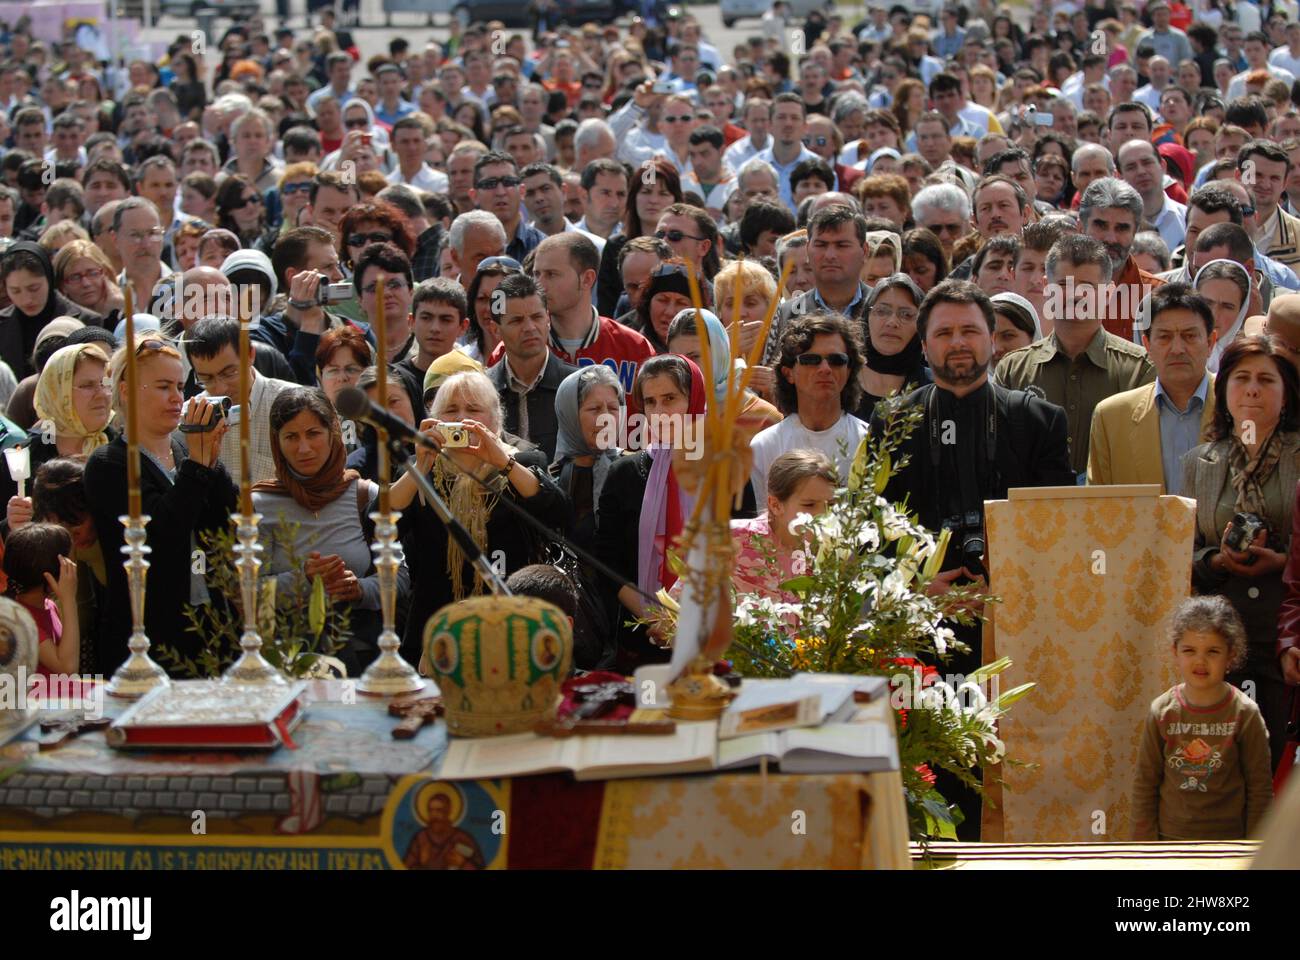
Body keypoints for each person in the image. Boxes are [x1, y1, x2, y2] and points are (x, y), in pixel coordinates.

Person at [387, 369, 569, 665]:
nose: (461, 418)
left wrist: (501, 461)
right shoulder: (420, 467)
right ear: (434, 418)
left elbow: (559, 513)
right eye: (450, 410)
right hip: (435, 627)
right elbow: (377, 524)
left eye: (473, 410)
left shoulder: (523, 461)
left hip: (511, 623)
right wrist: (418, 469)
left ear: (495, 420)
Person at [84, 334, 237, 674]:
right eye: (163, 386)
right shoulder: (109, 463)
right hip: (148, 635)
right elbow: (160, 537)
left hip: (210, 626)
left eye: (180, 387)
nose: (176, 398)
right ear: (126, 391)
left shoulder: (187, 451)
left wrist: (211, 458)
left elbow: (229, 525)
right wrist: (198, 468)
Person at [1182, 334, 1300, 769]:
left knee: (1278, 755)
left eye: (1266, 380)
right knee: (1221, 758)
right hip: (1218, 633)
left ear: (1286, 396)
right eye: (1241, 378)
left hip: (1284, 629)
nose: (1252, 389)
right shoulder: (1200, 462)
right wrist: (1216, 560)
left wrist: (1283, 561)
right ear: (1224, 391)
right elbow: (1183, 552)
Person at [252, 387, 405, 677]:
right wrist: (305, 580)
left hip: (363, 655)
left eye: (313, 434)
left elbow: (401, 577)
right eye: (291, 437)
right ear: (277, 442)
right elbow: (248, 593)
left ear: (333, 433)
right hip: (289, 662)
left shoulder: (364, 496)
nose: (304, 448)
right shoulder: (259, 505)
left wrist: (358, 589)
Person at [997, 234, 1156, 480]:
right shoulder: (1013, 369)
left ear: (1109, 293)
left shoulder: (1139, 368)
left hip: (1111, 508)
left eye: (1087, 287)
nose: (1075, 296)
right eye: (1064, 285)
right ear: (1046, 287)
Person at [596, 354, 710, 671]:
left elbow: (740, 551)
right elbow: (608, 563)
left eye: (670, 399)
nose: (660, 413)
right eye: (650, 402)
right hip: (642, 639)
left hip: (713, 638)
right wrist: (657, 618)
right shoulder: (624, 474)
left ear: (695, 400)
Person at [1131, 595, 1273, 839]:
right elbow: (1145, 785)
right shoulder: (1162, 712)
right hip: (1171, 845)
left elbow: (1260, 790)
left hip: (1228, 845)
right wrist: (1144, 849)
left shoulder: (1245, 714)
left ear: (1231, 655)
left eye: (1213, 651)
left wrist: (1255, 851)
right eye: (1189, 650)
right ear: (1175, 652)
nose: (1200, 661)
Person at [1088, 283, 1217, 494]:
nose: (1177, 349)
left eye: (1190, 336)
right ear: (1147, 345)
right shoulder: (1111, 417)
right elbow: (1098, 506)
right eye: (1164, 337)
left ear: (1211, 342)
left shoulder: (1239, 408)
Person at [750, 312, 870, 500]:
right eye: (810, 360)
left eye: (837, 360)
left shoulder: (868, 440)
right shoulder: (764, 447)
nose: (825, 368)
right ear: (788, 373)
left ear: (848, 371)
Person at [184, 316, 297, 484]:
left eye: (229, 373)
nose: (220, 388)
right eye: (206, 378)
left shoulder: (295, 404)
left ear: (250, 354)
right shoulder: (188, 419)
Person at [484, 273, 577, 461]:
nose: (530, 327)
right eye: (516, 321)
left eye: (536, 317)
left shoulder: (577, 386)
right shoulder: (482, 390)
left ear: (548, 320)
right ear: (495, 330)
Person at [730, 449, 837, 611]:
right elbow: (681, 610)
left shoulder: (836, 552)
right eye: (809, 505)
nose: (823, 515)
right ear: (775, 504)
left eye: (831, 505)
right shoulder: (730, 540)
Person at [0, 242, 102, 377]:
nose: (26, 299)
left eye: (34, 288)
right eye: (15, 291)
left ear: (49, 279)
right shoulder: (2, 323)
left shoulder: (88, 320)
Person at [2, 522, 80, 678]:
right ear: (52, 573)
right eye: (67, 564)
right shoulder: (22, 621)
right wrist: (69, 600)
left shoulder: (49, 605)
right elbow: (67, 668)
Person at [856, 273, 932, 421]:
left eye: (906, 315)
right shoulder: (840, 379)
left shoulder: (932, 388)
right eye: (882, 311)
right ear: (866, 317)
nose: (892, 322)